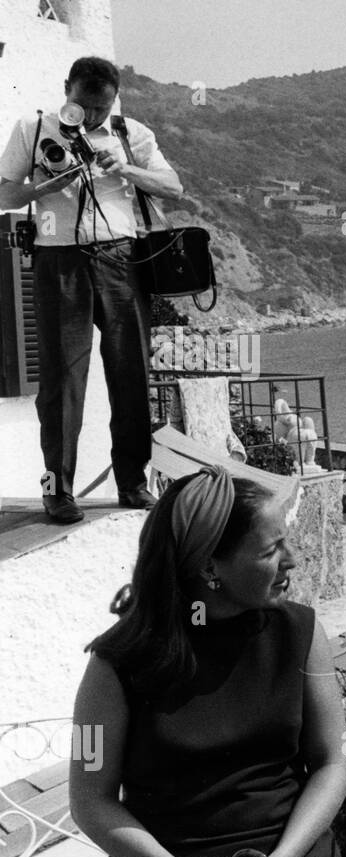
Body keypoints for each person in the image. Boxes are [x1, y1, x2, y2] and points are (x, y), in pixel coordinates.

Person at [69, 467, 346, 857]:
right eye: (269, 551)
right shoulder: (113, 666)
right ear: (209, 567)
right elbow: (90, 801)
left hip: (288, 852)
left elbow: (333, 761)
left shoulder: (301, 633)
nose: (292, 560)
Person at [0, 56, 183, 525]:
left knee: (131, 372)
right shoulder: (34, 127)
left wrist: (125, 169)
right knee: (61, 380)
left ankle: (133, 483)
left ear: (114, 100)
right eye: (83, 105)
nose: (93, 117)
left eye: (102, 108)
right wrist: (47, 186)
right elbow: (4, 194)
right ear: (67, 90)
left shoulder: (131, 134)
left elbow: (173, 187)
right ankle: (58, 490)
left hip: (121, 259)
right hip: (57, 260)